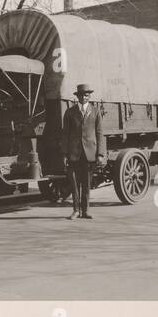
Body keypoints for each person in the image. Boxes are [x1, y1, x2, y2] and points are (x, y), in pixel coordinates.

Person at [62, 83, 106, 219]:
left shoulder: (96, 111)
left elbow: (100, 133)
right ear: (77, 97)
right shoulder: (70, 112)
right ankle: (76, 211)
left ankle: (86, 211)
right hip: (74, 153)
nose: (84, 98)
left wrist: (100, 154)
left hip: (89, 153)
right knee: (75, 184)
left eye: (86, 95)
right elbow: (65, 134)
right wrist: (64, 153)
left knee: (86, 184)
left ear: (89, 96)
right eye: (81, 95)